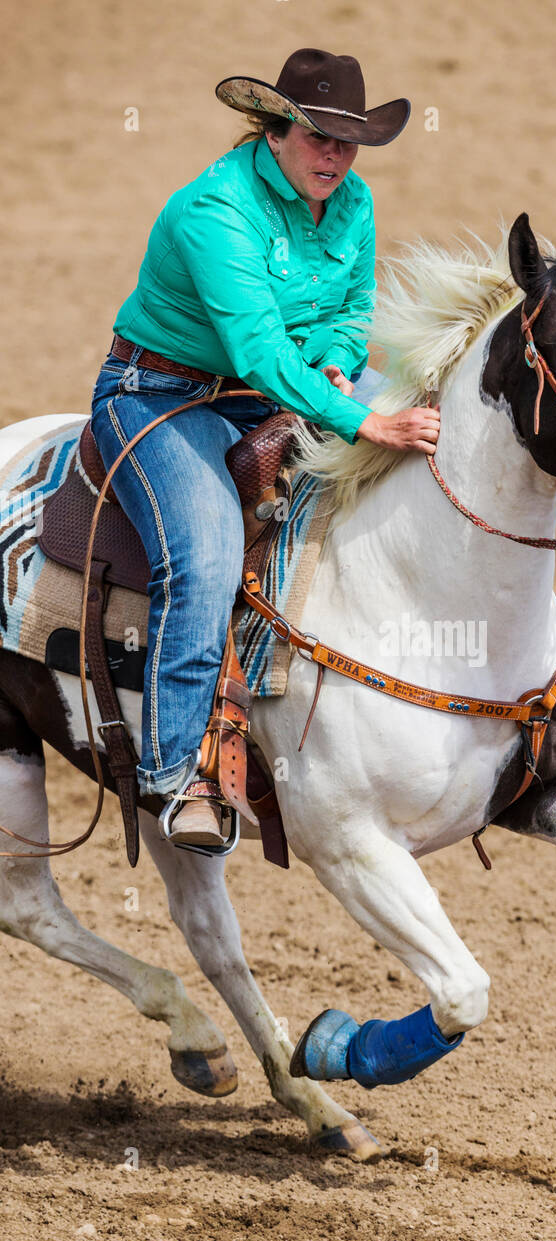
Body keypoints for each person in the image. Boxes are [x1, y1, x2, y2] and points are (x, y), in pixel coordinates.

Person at [90, 48, 440, 851]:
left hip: (276, 386)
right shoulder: (215, 209)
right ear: (278, 129)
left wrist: (340, 363)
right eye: (320, 138)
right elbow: (253, 348)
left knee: (439, 451)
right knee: (205, 556)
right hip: (160, 396)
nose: (335, 157)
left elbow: (355, 307)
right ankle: (181, 775)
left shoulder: (352, 201)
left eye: (349, 143)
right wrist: (362, 421)